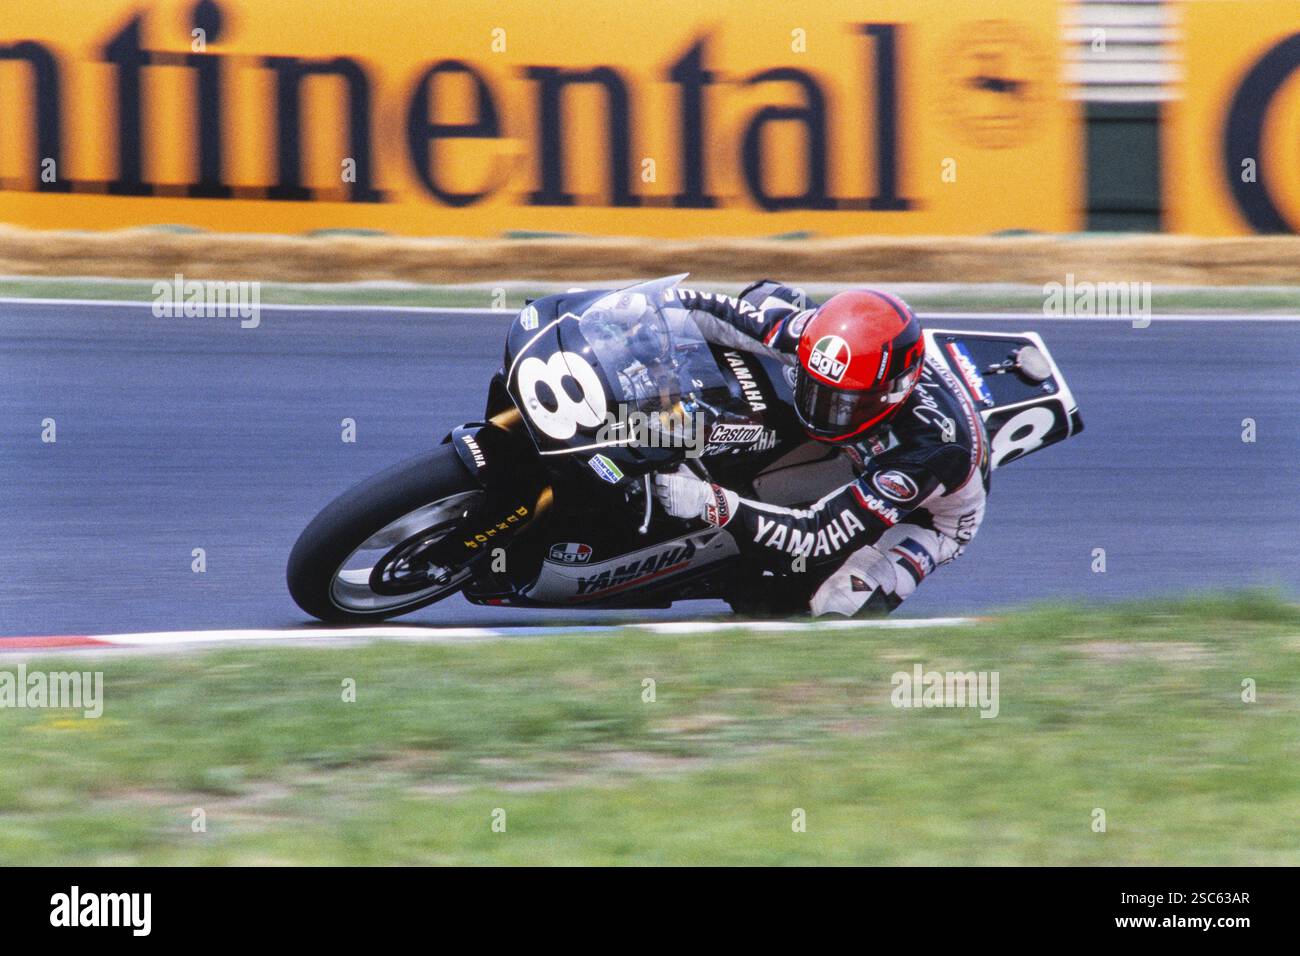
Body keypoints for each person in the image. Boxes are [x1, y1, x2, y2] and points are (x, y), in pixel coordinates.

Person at [652, 281, 990, 617]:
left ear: (890, 396)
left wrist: (711, 503)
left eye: (840, 404)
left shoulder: (930, 452)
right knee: (763, 296)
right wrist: (650, 312)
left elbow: (816, 536)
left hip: (927, 516)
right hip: (863, 436)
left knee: (834, 605)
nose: (819, 408)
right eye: (813, 389)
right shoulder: (820, 340)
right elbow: (716, 311)